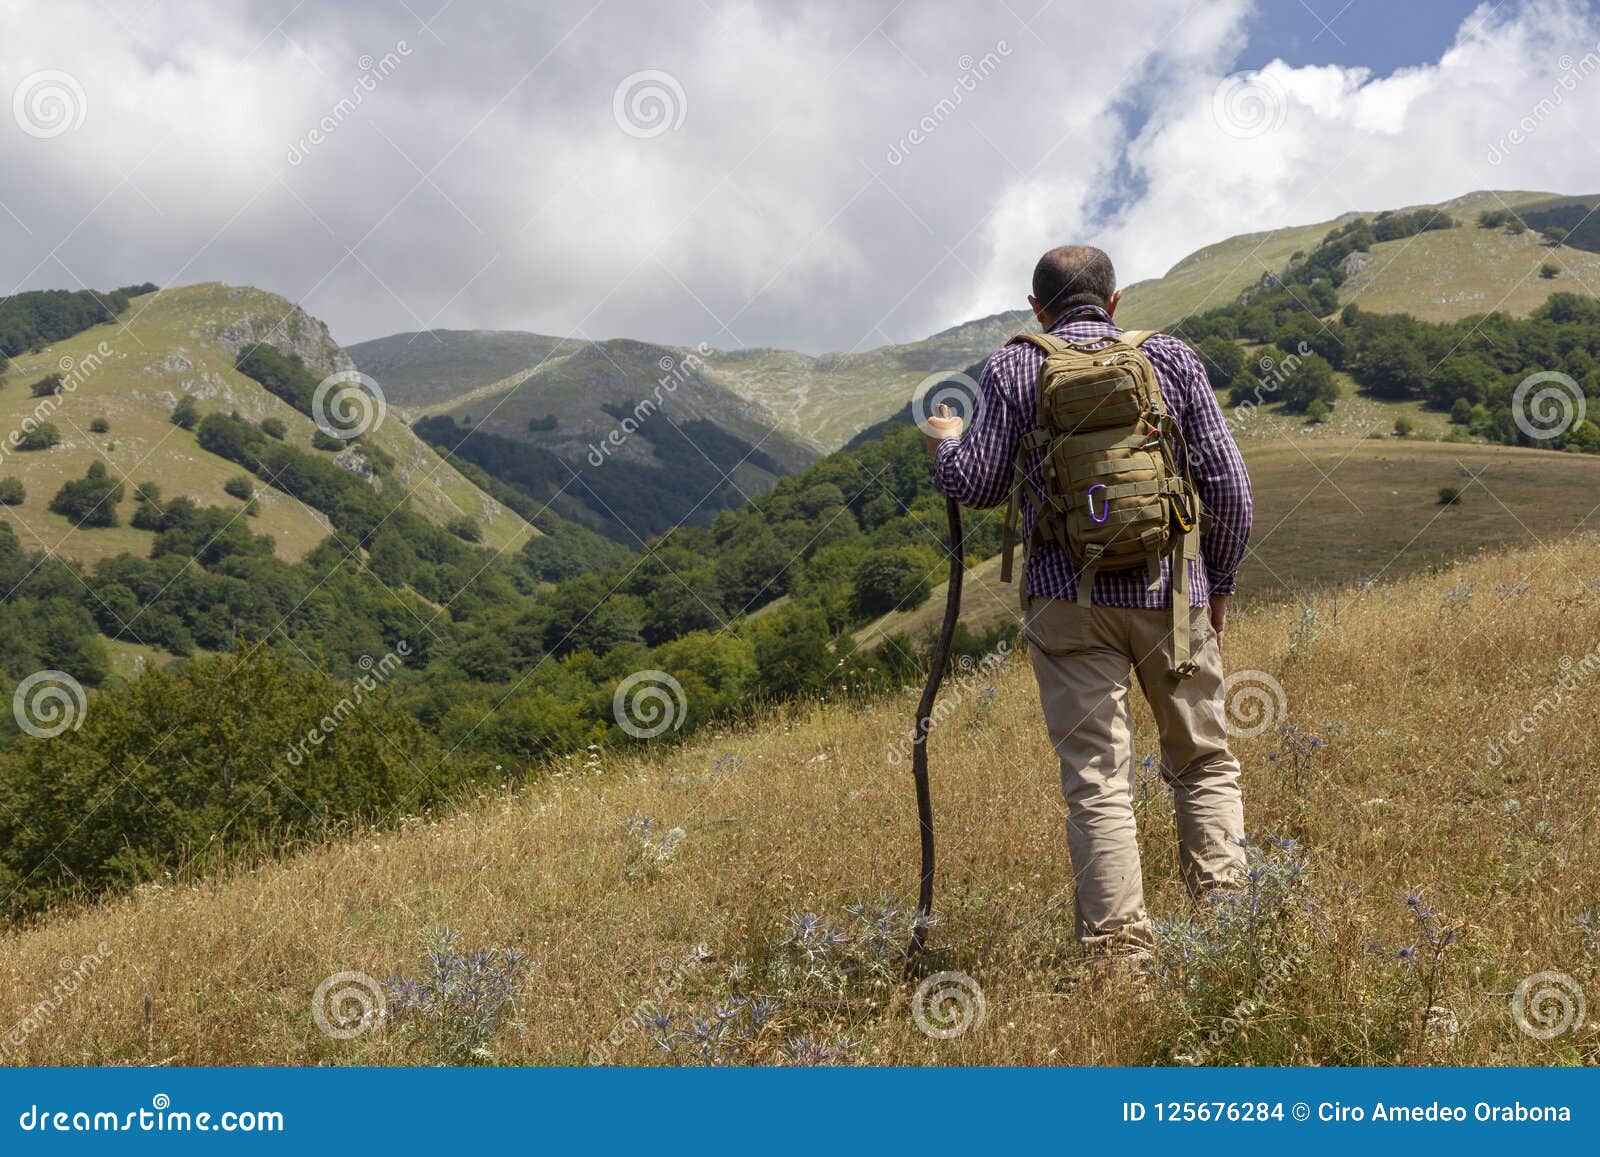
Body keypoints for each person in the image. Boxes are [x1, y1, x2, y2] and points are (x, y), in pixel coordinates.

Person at [925, 244, 1253, 962]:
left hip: (1066, 601)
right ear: (1114, 301)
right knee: (1202, 762)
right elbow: (1230, 487)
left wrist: (945, 445)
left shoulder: (1014, 366)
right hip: (1172, 597)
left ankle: (1120, 961)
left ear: (1036, 308)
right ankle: (1229, 937)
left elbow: (978, 484)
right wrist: (1218, 585)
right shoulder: (1170, 357)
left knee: (1098, 780)